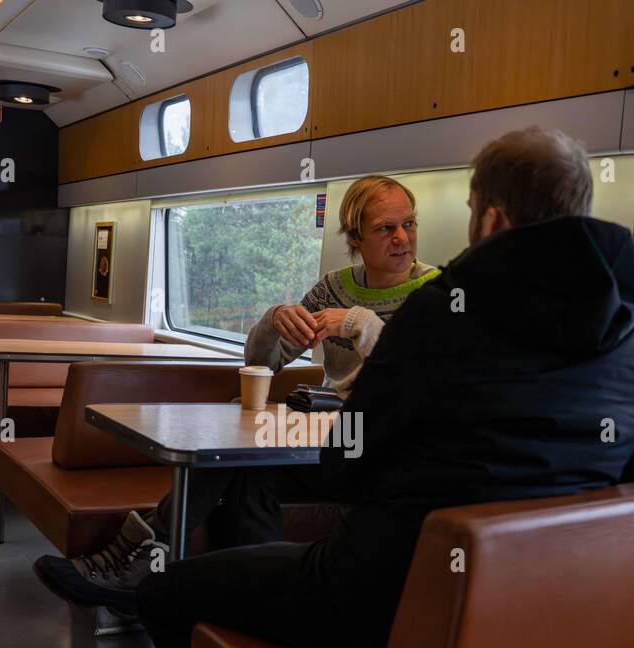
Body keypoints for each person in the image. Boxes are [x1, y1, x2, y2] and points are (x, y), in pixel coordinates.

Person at [53, 125, 634, 648]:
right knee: (248, 496)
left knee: (171, 593)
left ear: (491, 218)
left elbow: (344, 471)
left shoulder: (441, 312)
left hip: (383, 594)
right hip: (554, 600)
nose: (405, 237)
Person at [34, 175, 441, 599]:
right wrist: (274, 320)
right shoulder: (333, 288)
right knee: (246, 473)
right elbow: (261, 363)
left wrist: (359, 323)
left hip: (387, 450)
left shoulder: (436, 292)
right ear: (356, 236)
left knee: (242, 457)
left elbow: (419, 381)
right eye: (385, 228)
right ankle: (249, 600)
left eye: (409, 224)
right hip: (331, 440)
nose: (402, 238)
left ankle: (137, 554)